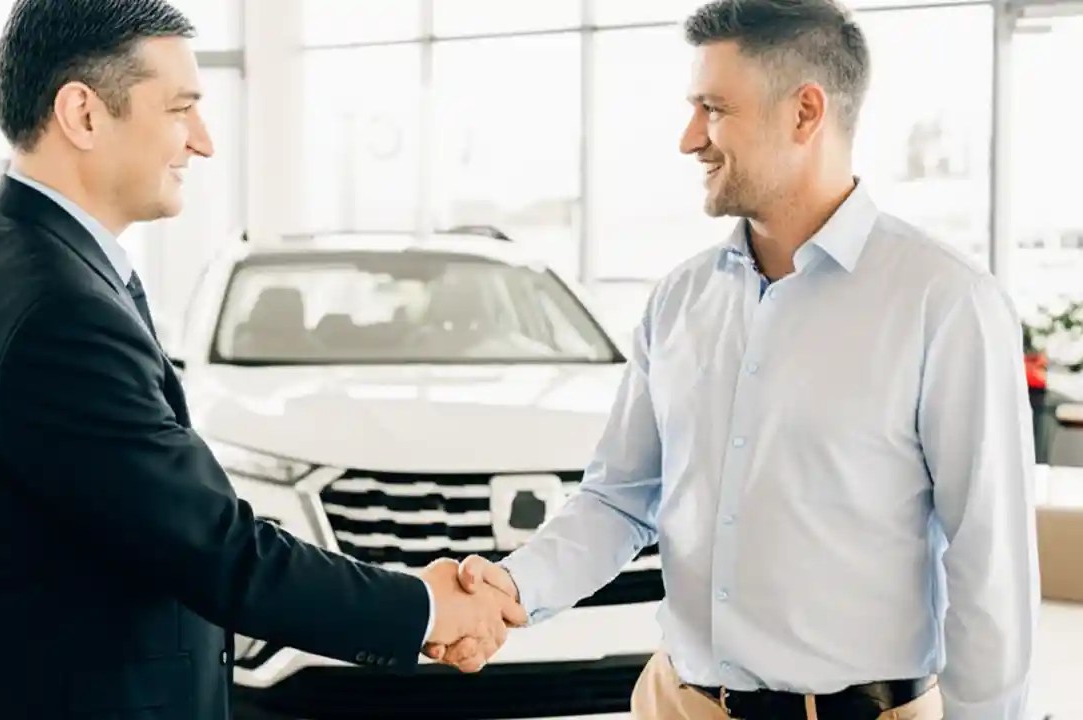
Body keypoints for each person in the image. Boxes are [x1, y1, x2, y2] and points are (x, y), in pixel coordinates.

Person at [0, 1, 523, 718]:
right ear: (82, 114)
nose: (201, 141)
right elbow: (214, 551)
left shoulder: (26, 257)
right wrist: (424, 609)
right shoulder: (56, 308)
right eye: (180, 109)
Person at [431, 1, 1040, 718]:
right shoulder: (679, 301)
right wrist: (513, 586)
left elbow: (989, 566)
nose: (691, 138)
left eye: (713, 108)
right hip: (676, 701)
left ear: (805, 113)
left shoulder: (946, 302)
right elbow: (620, 497)